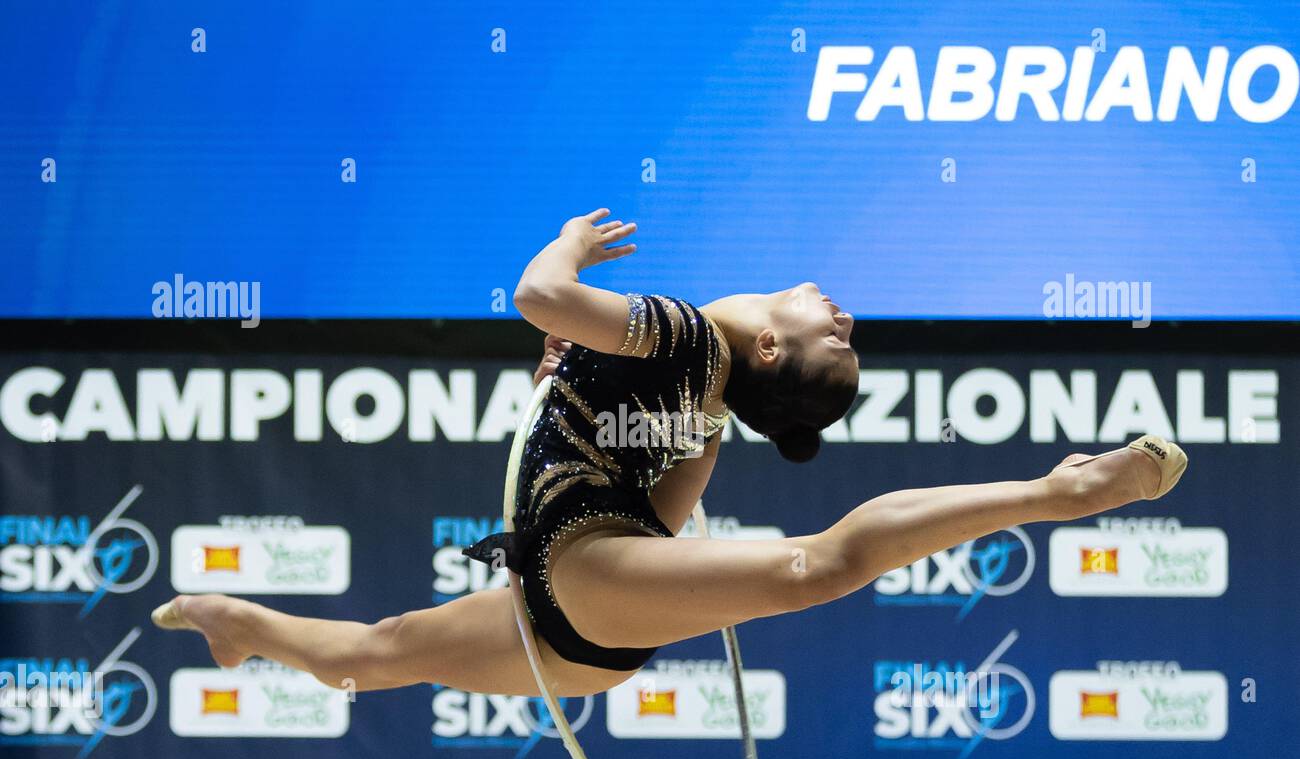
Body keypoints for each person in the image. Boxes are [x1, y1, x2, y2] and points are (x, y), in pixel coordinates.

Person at [153, 209, 1188, 698]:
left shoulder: (687, 336)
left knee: (808, 564)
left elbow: (536, 295)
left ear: (771, 344)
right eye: (848, 330)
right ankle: (240, 624)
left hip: (576, 573)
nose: (844, 309)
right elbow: (666, 514)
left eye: (835, 331)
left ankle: (1057, 490)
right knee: (374, 653)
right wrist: (560, 382)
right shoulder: (696, 399)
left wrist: (566, 247)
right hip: (589, 613)